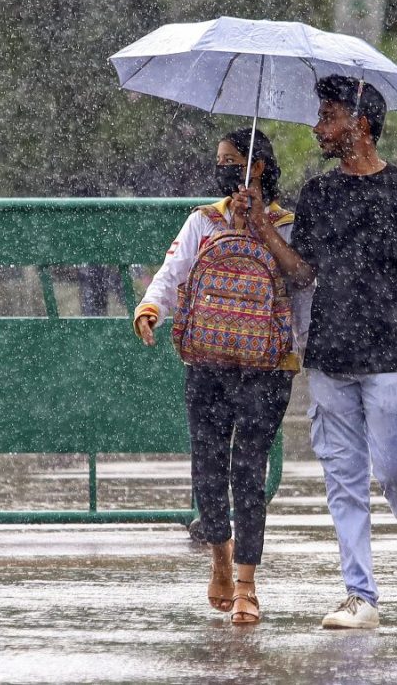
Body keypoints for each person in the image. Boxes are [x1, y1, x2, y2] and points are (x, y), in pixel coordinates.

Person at [236, 75, 397, 630]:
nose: (318, 127)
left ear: (360, 125)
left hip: (386, 359)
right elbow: (303, 272)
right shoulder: (318, 194)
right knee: (343, 478)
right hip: (329, 357)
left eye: (328, 117)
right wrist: (261, 226)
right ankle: (360, 594)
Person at [133, 128, 310, 624]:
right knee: (208, 464)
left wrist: (261, 228)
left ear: (256, 166)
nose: (223, 168)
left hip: (267, 367)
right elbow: (173, 271)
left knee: (248, 470)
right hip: (206, 361)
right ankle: (220, 559)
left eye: (231, 160)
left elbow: (302, 280)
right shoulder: (204, 221)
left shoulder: (289, 223)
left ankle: (247, 584)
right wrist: (151, 306)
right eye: (220, 161)